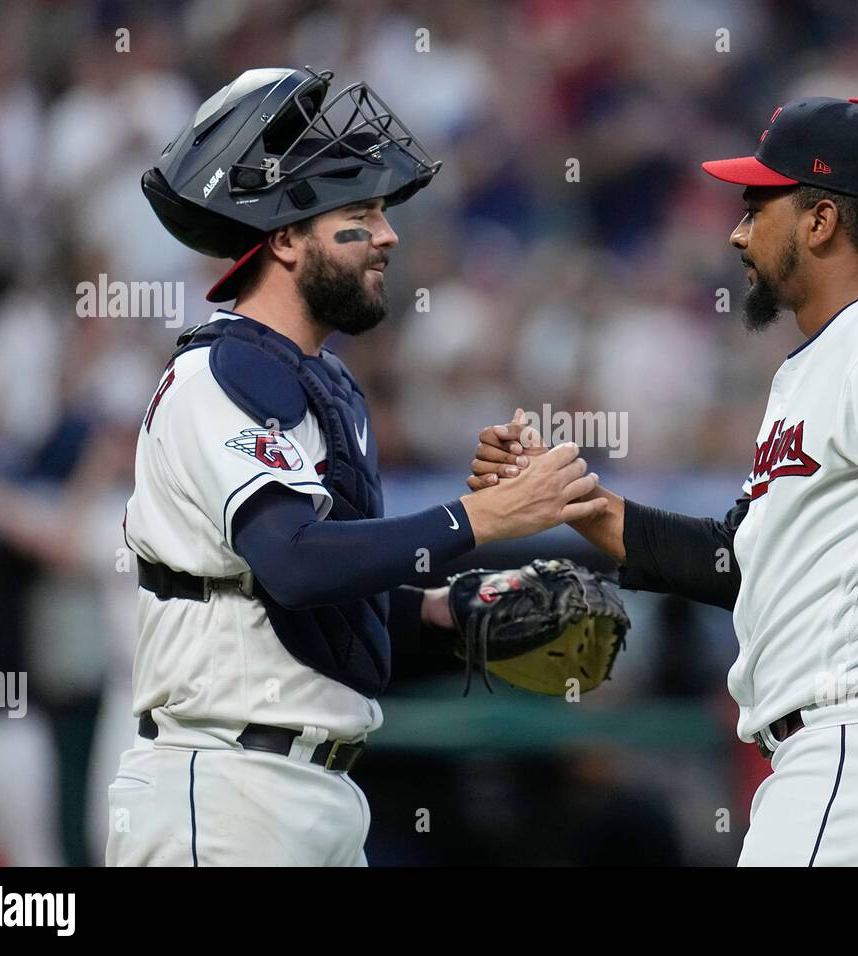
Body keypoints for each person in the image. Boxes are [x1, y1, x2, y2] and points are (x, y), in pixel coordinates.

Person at [470, 96, 858, 866]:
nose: (737, 231)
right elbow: (738, 560)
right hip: (857, 754)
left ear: (821, 219)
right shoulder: (824, 363)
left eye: (759, 204)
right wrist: (565, 496)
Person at [111, 66, 605, 867]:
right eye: (360, 213)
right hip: (224, 790)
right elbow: (295, 562)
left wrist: (442, 614)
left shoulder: (322, 383)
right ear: (283, 237)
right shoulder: (217, 378)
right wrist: (484, 518)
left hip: (312, 795)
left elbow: (320, 607)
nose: (388, 234)